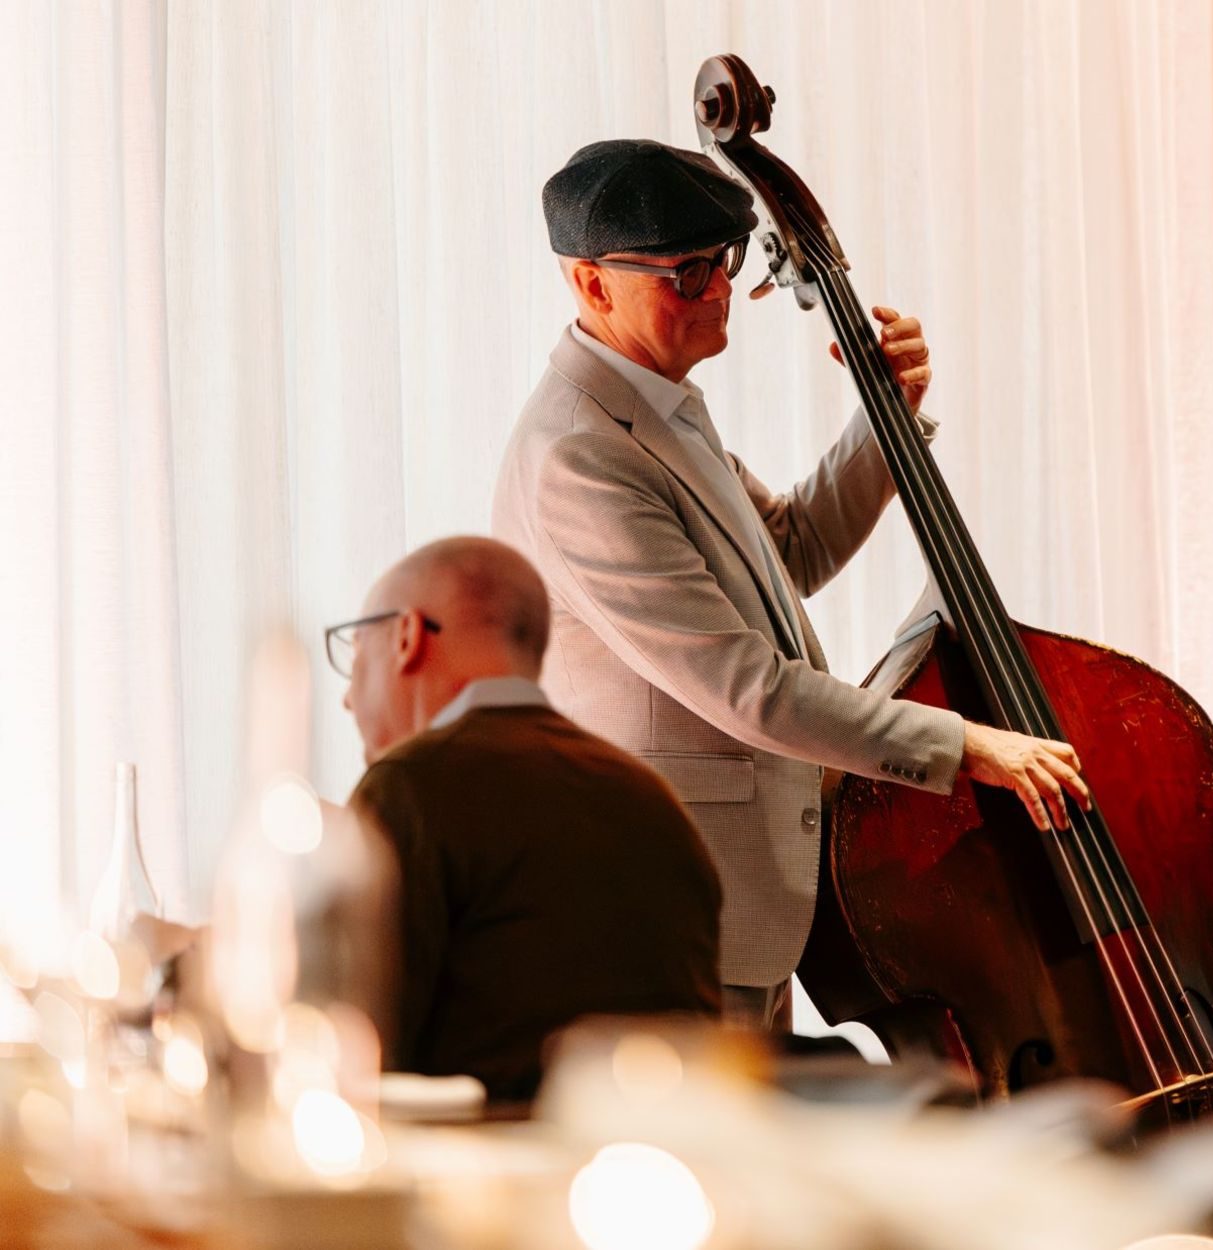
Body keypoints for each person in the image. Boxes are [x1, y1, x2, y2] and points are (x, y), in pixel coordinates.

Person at [493, 139, 1089, 1029]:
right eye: (688, 273)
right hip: (662, 919)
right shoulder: (581, 455)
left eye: (727, 262)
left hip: (734, 908)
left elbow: (795, 547)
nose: (721, 290)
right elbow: (749, 687)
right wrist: (966, 744)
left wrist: (883, 413)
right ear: (591, 284)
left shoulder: (657, 406)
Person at [334, 536, 721, 1100]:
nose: (348, 698)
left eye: (354, 657)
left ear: (406, 637)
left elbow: (359, 1052)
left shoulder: (408, 788)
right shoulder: (652, 799)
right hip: (655, 1166)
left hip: (480, 1170)